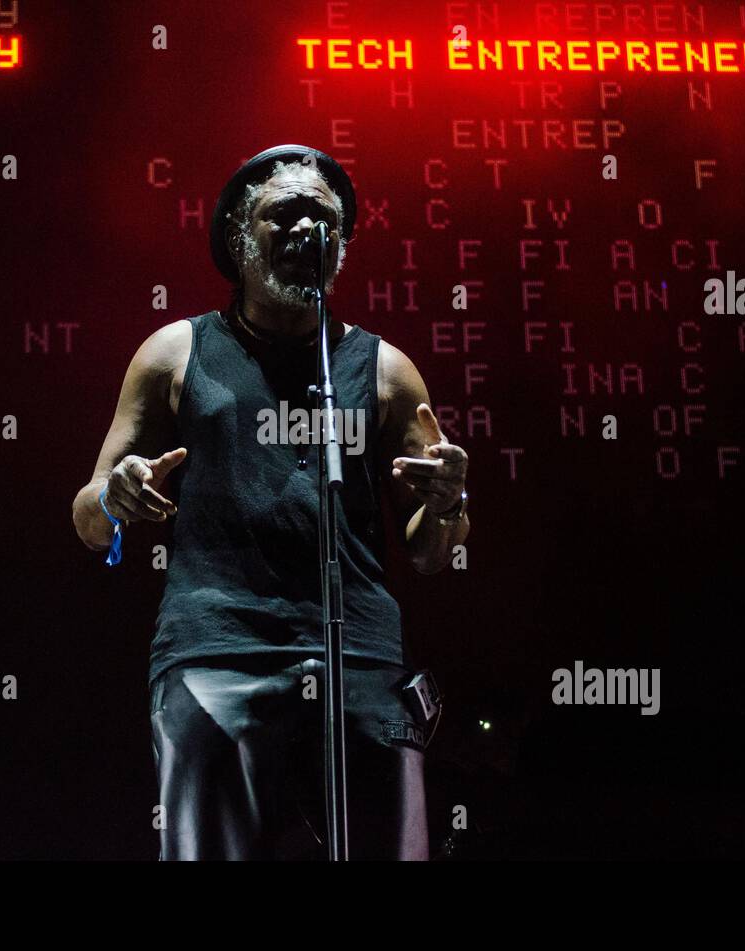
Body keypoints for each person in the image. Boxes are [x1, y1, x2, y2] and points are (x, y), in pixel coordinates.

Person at [71, 145, 471, 859]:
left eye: (323, 219)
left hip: (359, 658)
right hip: (217, 651)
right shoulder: (174, 353)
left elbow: (430, 550)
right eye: (282, 214)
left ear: (341, 244)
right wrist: (117, 492)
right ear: (238, 238)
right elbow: (88, 520)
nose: (305, 230)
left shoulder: (384, 370)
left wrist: (446, 504)